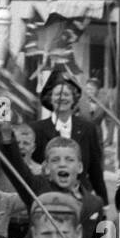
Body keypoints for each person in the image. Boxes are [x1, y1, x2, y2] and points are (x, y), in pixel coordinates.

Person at [32, 66, 107, 202]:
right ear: (50, 99)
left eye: (66, 95)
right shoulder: (37, 129)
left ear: (74, 99)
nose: (62, 98)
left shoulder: (88, 128)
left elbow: (96, 169)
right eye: (57, 95)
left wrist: (104, 202)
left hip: (81, 199)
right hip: (47, 200)